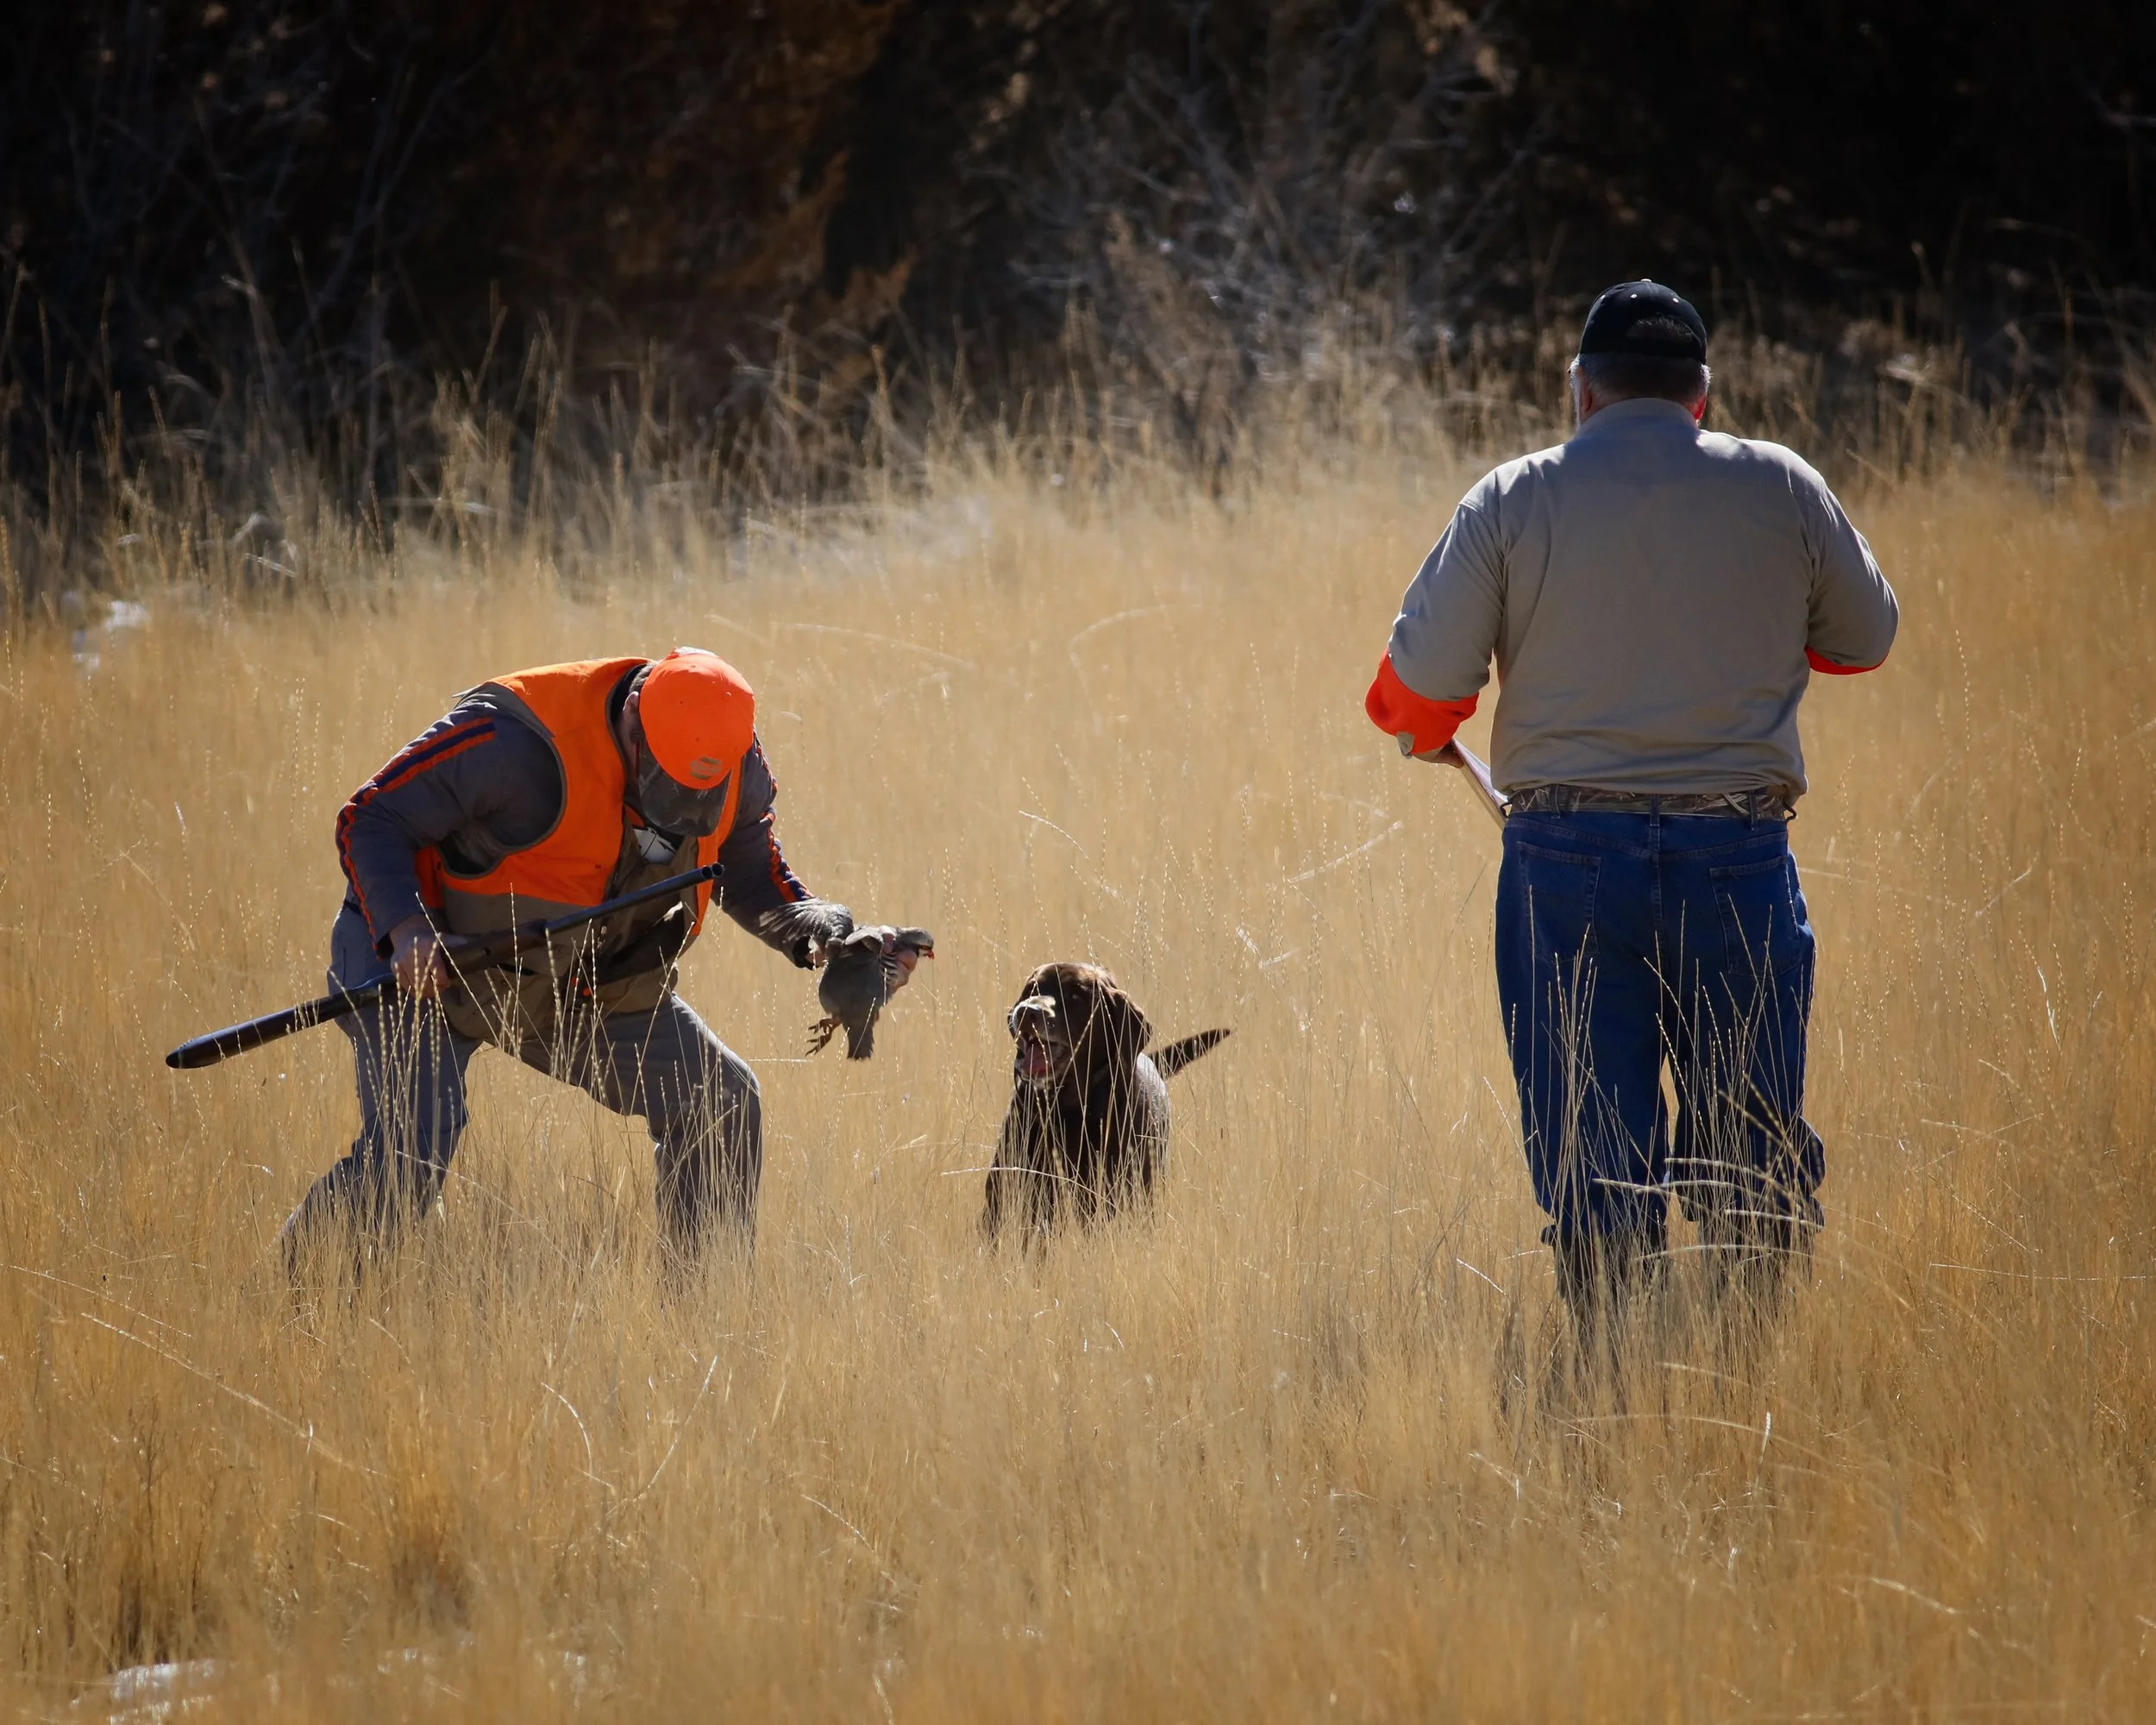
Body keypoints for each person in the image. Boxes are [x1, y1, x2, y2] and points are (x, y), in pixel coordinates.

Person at [1365, 280, 1898, 1335]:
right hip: (1738, 852)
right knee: (1746, 1136)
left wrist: (1427, 735)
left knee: (1588, 1139)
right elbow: (1861, 640)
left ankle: (1614, 1370)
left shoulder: (1514, 495)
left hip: (1565, 858)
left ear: (1581, 391)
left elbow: (1417, 696)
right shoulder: (1782, 485)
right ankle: (1749, 1368)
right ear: (1701, 395)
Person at [285, 647, 921, 1270]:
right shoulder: (515, 746)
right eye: (666, 782)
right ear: (634, 720)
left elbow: (751, 876)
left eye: (701, 789)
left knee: (722, 1103)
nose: (683, 806)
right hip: (420, 971)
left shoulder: (734, 763)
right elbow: (371, 816)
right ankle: (292, 1304)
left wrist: (828, 938)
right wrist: (406, 929)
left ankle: (704, 1330)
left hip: (576, 982)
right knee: (410, 1154)